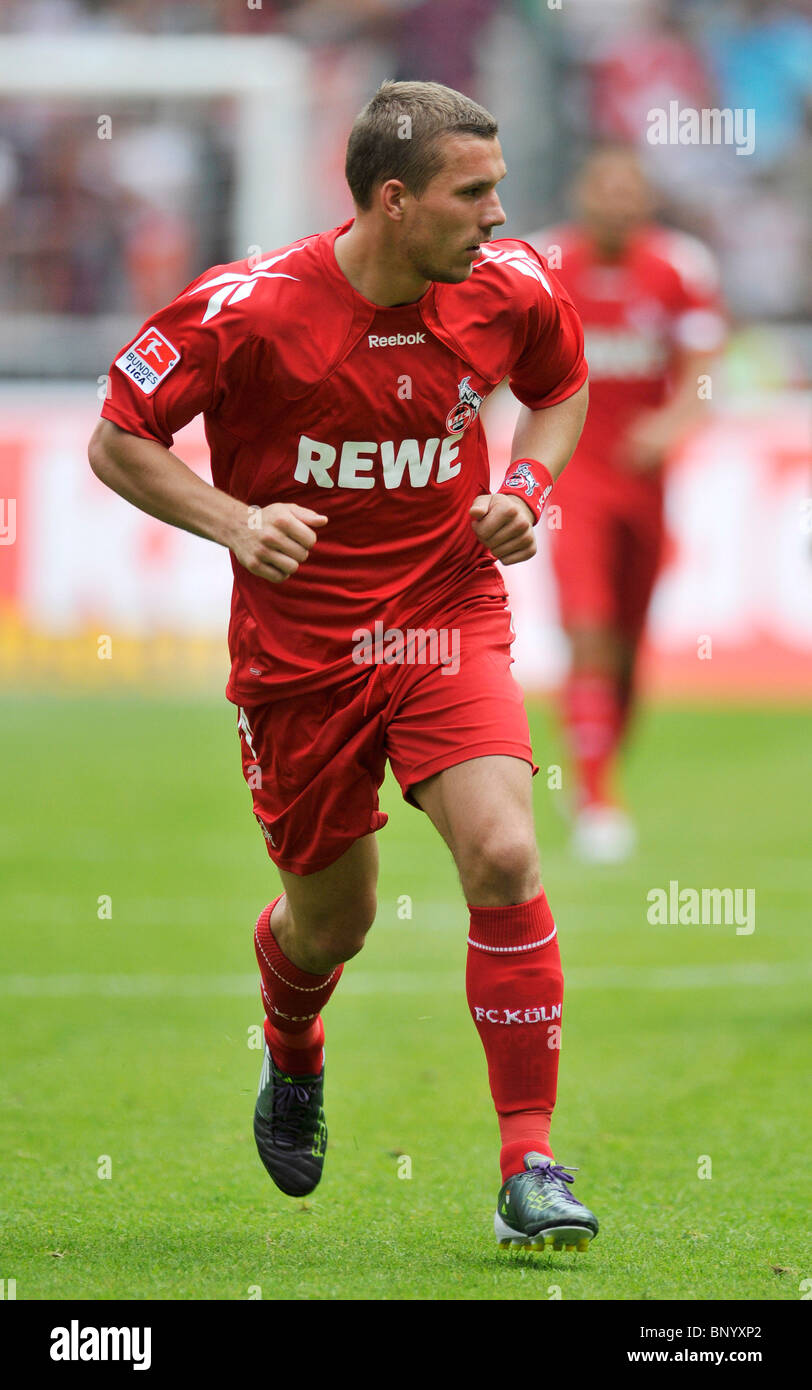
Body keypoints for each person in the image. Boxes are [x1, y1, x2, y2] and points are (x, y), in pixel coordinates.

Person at [88, 80, 596, 1252]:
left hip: (442, 615)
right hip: (301, 656)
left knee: (506, 852)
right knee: (333, 923)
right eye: (474, 191)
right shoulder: (249, 310)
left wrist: (524, 487)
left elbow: (559, 388)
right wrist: (232, 521)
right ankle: (294, 1046)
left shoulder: (506, 286)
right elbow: (119, 437)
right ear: (393, 199)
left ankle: (528, 1163)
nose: (498, 211)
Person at [527, 146, 725, 863]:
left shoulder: (679, 267)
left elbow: (706, 367)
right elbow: (499, 351)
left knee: (630, 651)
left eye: (627, 189)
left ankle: (593, 771)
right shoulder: (547, 263)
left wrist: (671, 425)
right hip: (570, 476)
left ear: (645, 199)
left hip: (644, 481)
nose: (614, 201)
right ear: (583, 194)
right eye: (602, 187)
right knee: (587, 628)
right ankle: (598, 798)